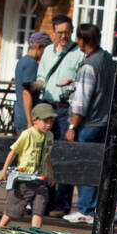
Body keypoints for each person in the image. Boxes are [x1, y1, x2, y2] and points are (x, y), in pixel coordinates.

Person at [62, 23, 113, 225]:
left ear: (83, 40)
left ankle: (85, 209)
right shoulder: (108, 60)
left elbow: (81, 101)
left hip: (89, 123)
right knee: (97, 166)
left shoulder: (89, 65)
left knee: (84, 165)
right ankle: (92, 208)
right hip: (105, 121)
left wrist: (72, 126)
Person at [34, 15, 82, 215]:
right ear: (53, 32)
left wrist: (71, 83)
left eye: (67, 32)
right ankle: (42, 201)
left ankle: (61, 204)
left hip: (65, 108)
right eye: (60, 32)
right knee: (44, 153)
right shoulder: (47, 51)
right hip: (47, 106)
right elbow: (41, 77)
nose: (63, 36)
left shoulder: (78, 53)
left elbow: (82, 83)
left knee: (63, 154)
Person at [0, 103, 56, 229]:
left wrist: (50, 174)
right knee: (13, 209)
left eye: (51, 122)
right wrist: (4, 171)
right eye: (45, 121)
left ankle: (35, 233)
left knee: (39, 209)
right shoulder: (28, 134)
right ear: (35, 120)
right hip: (25, 179)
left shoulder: (49, 136)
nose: (48, 125)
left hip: (41, 179)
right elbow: (13, 151)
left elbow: (47, 156)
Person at [13, 31, 50, 134]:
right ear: (39, 47)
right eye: (45, 49)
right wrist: (30, 121)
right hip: (27, 121)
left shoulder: (22, 61)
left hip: (20, 118)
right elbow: (26, 92)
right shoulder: (31, 64)